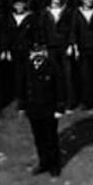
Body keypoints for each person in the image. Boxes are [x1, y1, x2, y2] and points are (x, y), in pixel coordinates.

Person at [23, 45, 62, 177]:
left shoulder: (52, 67)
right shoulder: (27, 68)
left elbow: (60, 89)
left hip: (49, 109)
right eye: (34, 53)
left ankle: (54, 165)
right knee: (39, 139)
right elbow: (22, 87)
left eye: (39, 52)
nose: (37, 55)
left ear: (45, 53)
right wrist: (22, 106)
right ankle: (43, 163)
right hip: (34, 109)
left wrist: (59, 108)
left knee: (51, 138)